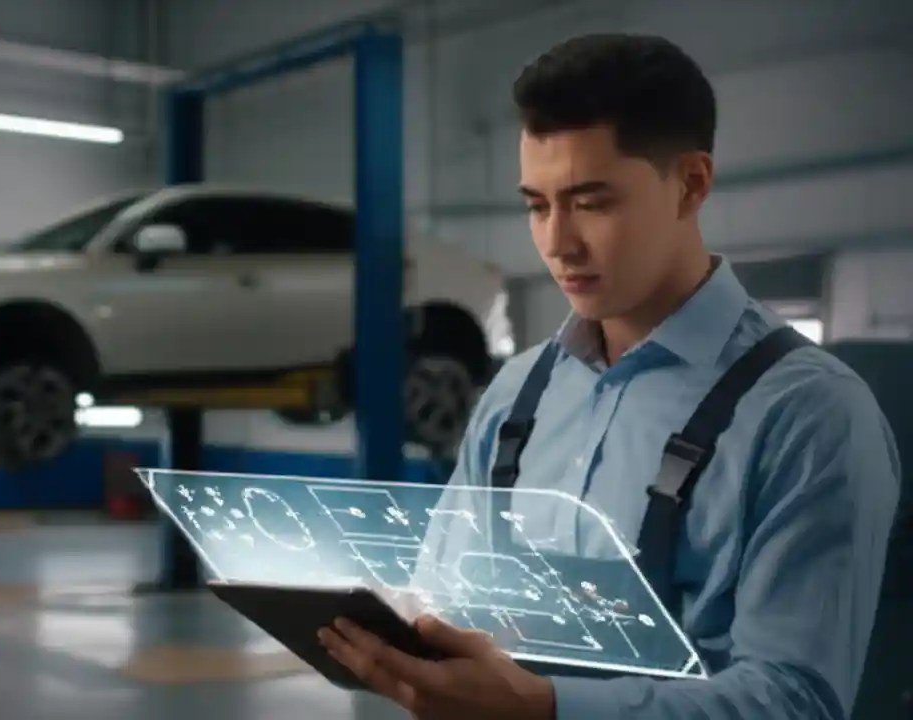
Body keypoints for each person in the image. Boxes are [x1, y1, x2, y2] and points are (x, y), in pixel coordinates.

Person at [318, 32, 901, 719]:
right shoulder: (516, 394)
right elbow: (442, 601)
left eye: (591, 202)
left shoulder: (808, 415)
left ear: (691, 184)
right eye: (537, 206)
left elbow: (795, 702)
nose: (557, 243)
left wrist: (545, 709)